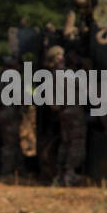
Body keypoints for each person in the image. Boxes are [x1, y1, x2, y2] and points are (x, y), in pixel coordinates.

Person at [46, 45, 87, 186]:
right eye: (60, 55)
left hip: (63, 113)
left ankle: (60, 174)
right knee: (76, 141)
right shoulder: (67, 73)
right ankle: (70, 174)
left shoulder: (51, 75)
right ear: (57, 57)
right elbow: (84, 85)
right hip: (74, 111)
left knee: (65, 142)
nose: (62, 57)